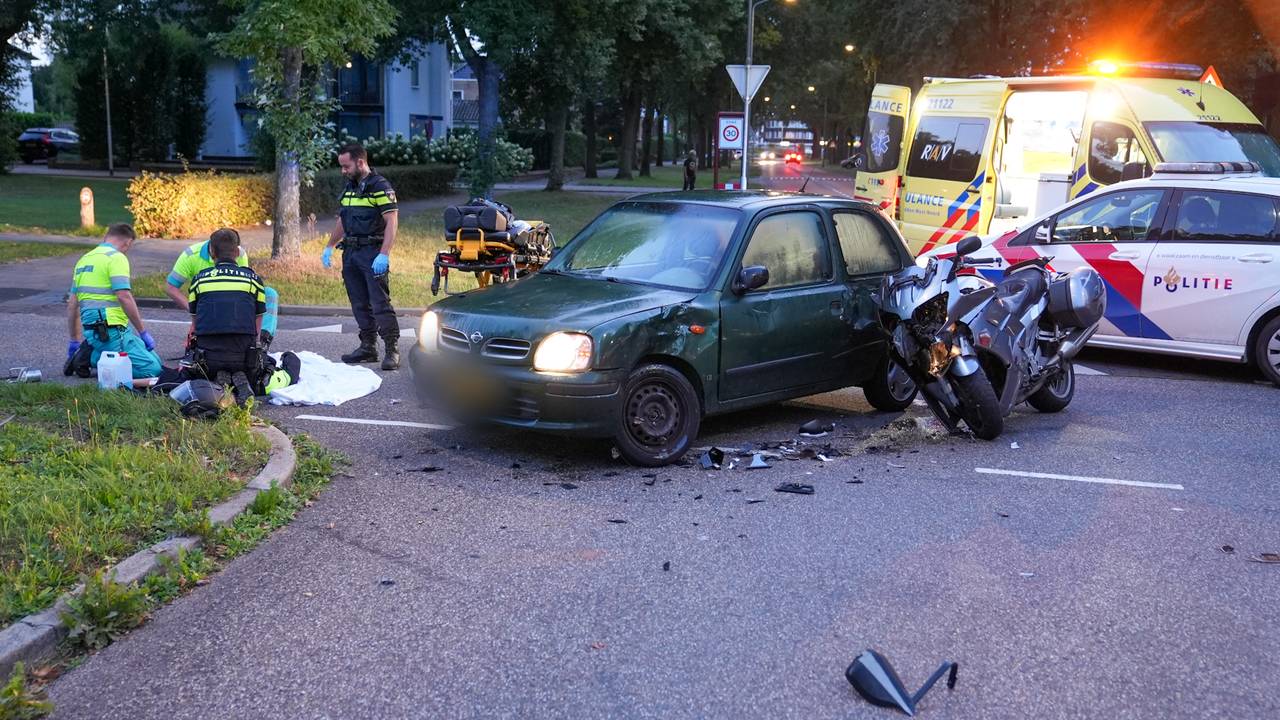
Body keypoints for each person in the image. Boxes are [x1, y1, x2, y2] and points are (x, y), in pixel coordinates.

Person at [322, 142, 401, 370]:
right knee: (359, 303)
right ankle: (368, 347)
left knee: (380, 303)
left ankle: (392, 349)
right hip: (351, 253)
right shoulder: (350, 187)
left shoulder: (380, 186)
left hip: (372, 252)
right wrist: (329, 245)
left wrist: (384, 254)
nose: (343, 171)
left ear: (360, 162)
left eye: (346, 166)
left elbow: (392, 221)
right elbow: (343, 220)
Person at [66, 223, 163, 379]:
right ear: (128, 242)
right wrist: (142, 331)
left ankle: (89, 350)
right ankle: (89, 357)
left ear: (107, 236)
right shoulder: (116, 258)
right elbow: (123, 296)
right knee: (151, 370)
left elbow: (72, 305)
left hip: (103, 329)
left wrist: (73, 340)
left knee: (157, 360)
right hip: (109, 329)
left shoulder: (84, 260)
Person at [188, 228, 268, 405]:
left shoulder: (199, 280)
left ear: (211, 252)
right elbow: (258, 318)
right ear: (238, 252)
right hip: (244, 355)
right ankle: (239, 377)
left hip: (208, 356)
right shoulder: (253, 279)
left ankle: (221, 381)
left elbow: (195, 322)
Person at [164, 229, 279, 349]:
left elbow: (244, 292)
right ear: (235, 253)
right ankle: (252, 345)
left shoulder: (241, 254)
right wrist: (197, 312)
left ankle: (262, 342)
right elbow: (171, 288)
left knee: (269, 294)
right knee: (264, 296)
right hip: (209, 305)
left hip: (229, 302)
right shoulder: (191, 256)